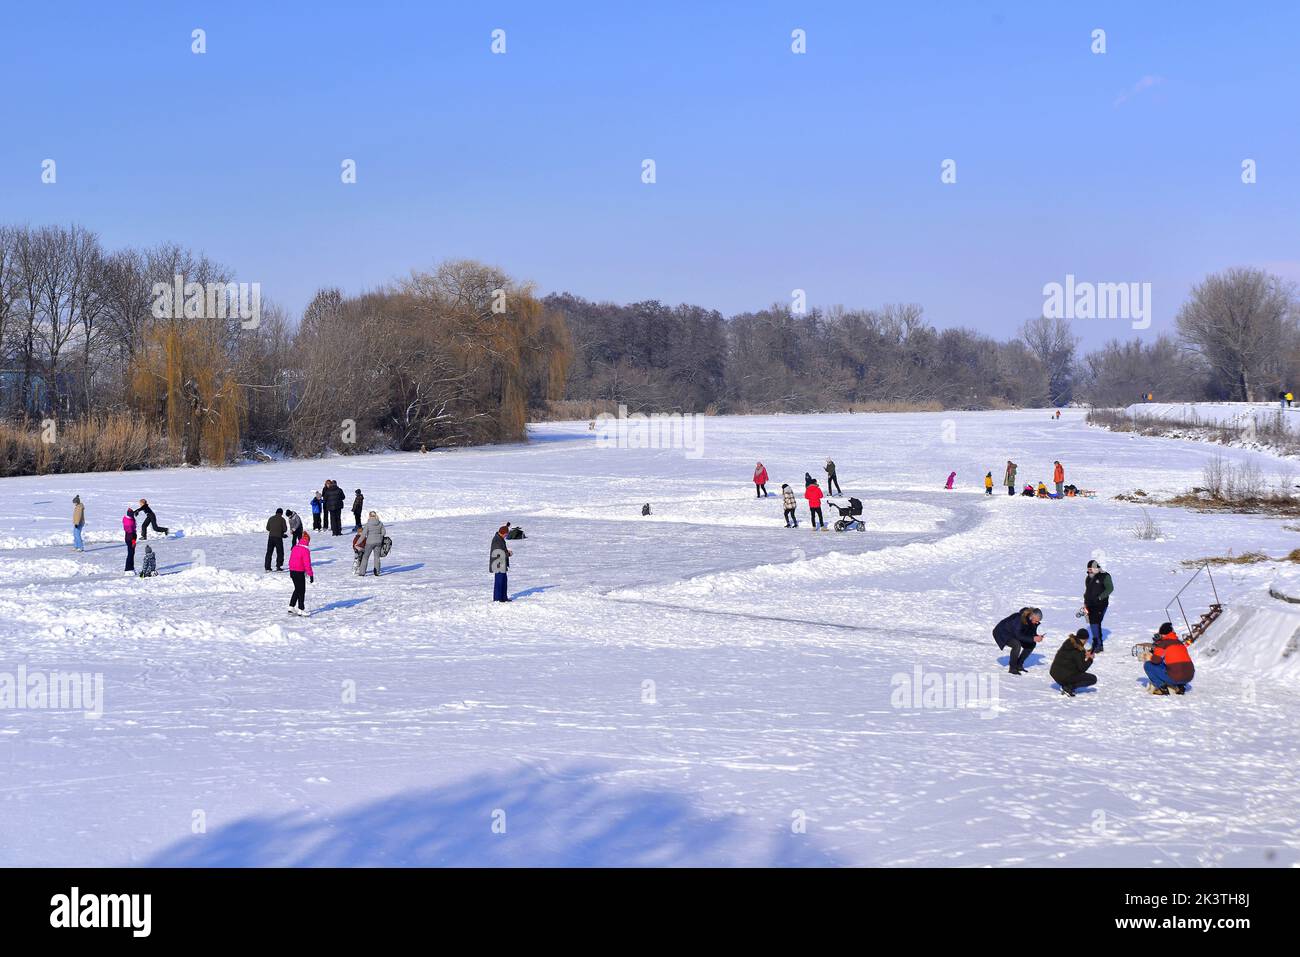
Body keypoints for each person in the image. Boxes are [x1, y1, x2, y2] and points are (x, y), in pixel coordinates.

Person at [1143, 623, 1194, 695]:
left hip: (1176, 677)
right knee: (1175, 665)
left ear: (1162, 634)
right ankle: (1180, 686)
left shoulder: (1163, 644)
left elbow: (1155, 661)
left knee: (1148, 665)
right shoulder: (1180, 643)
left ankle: (1162, 688)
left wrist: (1150, 657)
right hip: (1189, 676)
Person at [993, 607, 1044, 675]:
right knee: (1016, 645)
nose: (1037, 622)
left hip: (1013, 633)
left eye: (1038, 621)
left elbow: (1030, 634)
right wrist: (1033, 638)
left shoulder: (1032, 622)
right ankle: (1012, 668)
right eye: (1036, 620)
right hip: (1002, 632)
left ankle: (1019, 665)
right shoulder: (1019, 618)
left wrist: (1037, 637)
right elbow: (1018, 635)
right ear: (1032, 616)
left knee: (1031, 644)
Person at [1050, 629, 1096, 696]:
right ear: (1085, 639)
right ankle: (1068, 687)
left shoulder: (1069, 642)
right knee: (1092, 679)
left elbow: (1072, 657)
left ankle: (1067, 684)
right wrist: (1090, 659)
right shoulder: (1078, 650)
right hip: (1064, 676)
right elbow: (1082, 668)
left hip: (1054, 672)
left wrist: (1084, 653)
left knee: (1076, 671)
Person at [1081, 559, 1113, 652]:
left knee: (1095, 622)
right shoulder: (1088, 578)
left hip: (1100, 604)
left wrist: (1100, 597)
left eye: (1091, 569)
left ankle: (1098, 645)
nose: (1089, 571)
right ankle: (1097, 644)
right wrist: (1085, 603)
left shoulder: (1105, 576)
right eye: (1088, 569)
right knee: (1092, 623)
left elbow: (1110, 588)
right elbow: (1087, 591)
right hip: (1089, 604)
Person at [287, 531, 314, 616]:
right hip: (299, 572)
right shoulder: (305, 550)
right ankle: (301, 609)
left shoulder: (295, 547)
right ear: (307, 541)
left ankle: (291, 606)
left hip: (292, 571)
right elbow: (307, 563)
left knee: (297, 589)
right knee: (301, 590)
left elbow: (290, 560)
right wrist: (311, 574)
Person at [357, 510, 386, 576]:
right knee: (377, 557)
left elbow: (363, 535)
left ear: (369, 516)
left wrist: (358, 543)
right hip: (378, 542)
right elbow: (384, 532)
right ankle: (377, 572)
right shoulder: (380, 523)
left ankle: (362, 573)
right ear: (375, 516)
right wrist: (380, 537)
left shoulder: (368, 524)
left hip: (369, 542)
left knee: (365, 557)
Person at [491, 523, 512, 602]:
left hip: (502, 564)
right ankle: (497, 599)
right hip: (498, 564)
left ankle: (503, 598)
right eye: (506, 535)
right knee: (499, 582)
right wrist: (509, 554)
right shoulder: (497, 540)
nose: (506, 536)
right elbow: (499, 552)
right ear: (503, 533)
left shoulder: (500, 538)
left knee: (504, 581)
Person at [123, 508, 138, 574]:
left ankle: (130, 567)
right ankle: (128, 568)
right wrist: (134, 542)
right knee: (131, 553)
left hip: (127, 537)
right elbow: (132, 534)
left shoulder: (125, 519)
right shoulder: (130, 522)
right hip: (131, 538)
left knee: (131, 553)